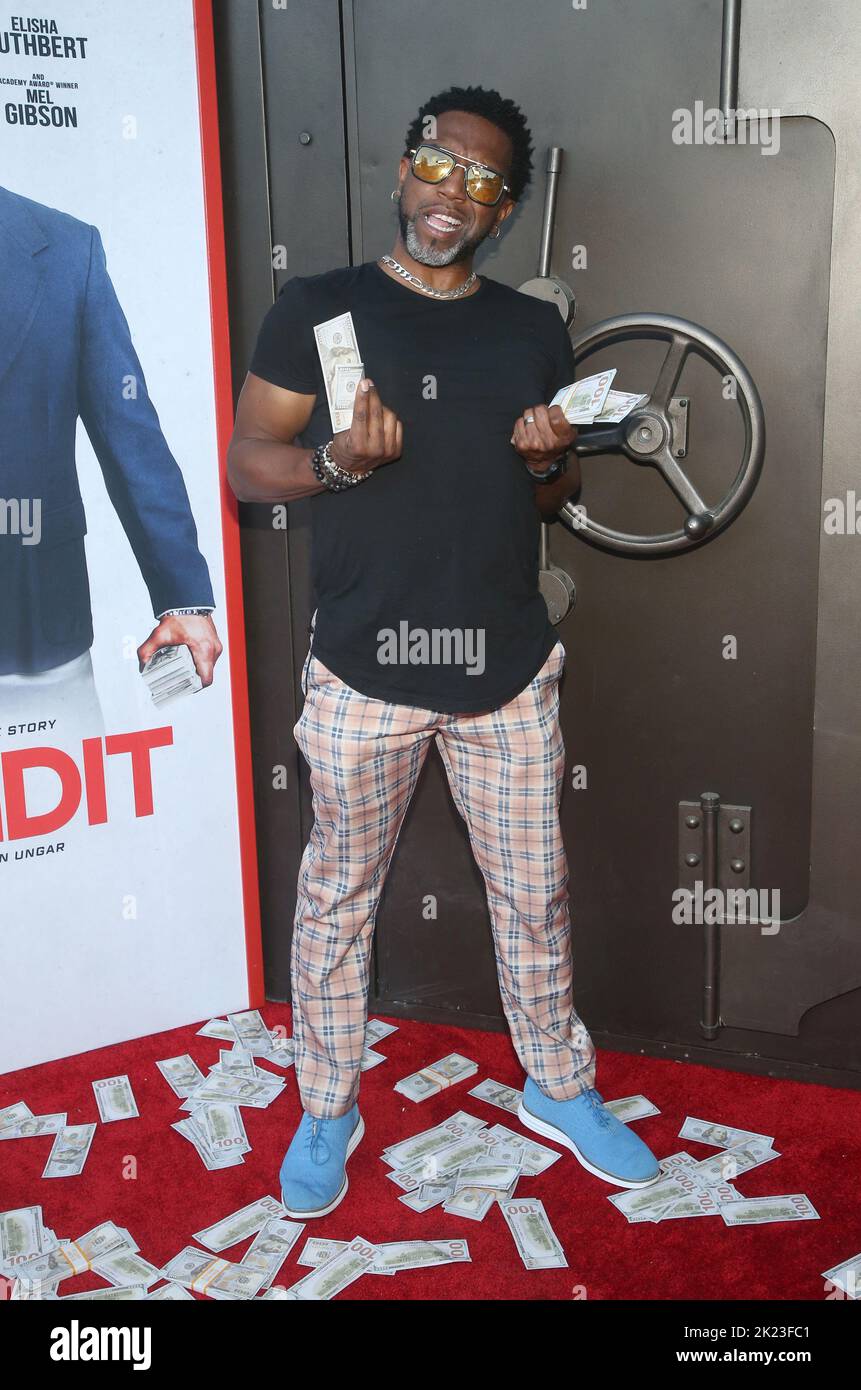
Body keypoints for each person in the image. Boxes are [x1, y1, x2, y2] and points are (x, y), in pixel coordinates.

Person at [228, 85, 660, 1217]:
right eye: (439, 165)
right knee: (337, 899)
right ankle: (330, 1101)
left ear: (503, 210)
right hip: (363, 670)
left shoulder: (529, 328)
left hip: (506, 675)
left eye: (481, 182)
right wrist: (335, 466)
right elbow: (245, 463)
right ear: (405, 168)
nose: (451, 194)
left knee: (534, 897)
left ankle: (557, 1087)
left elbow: (556, 491)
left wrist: (545, 456)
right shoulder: (318, 308)